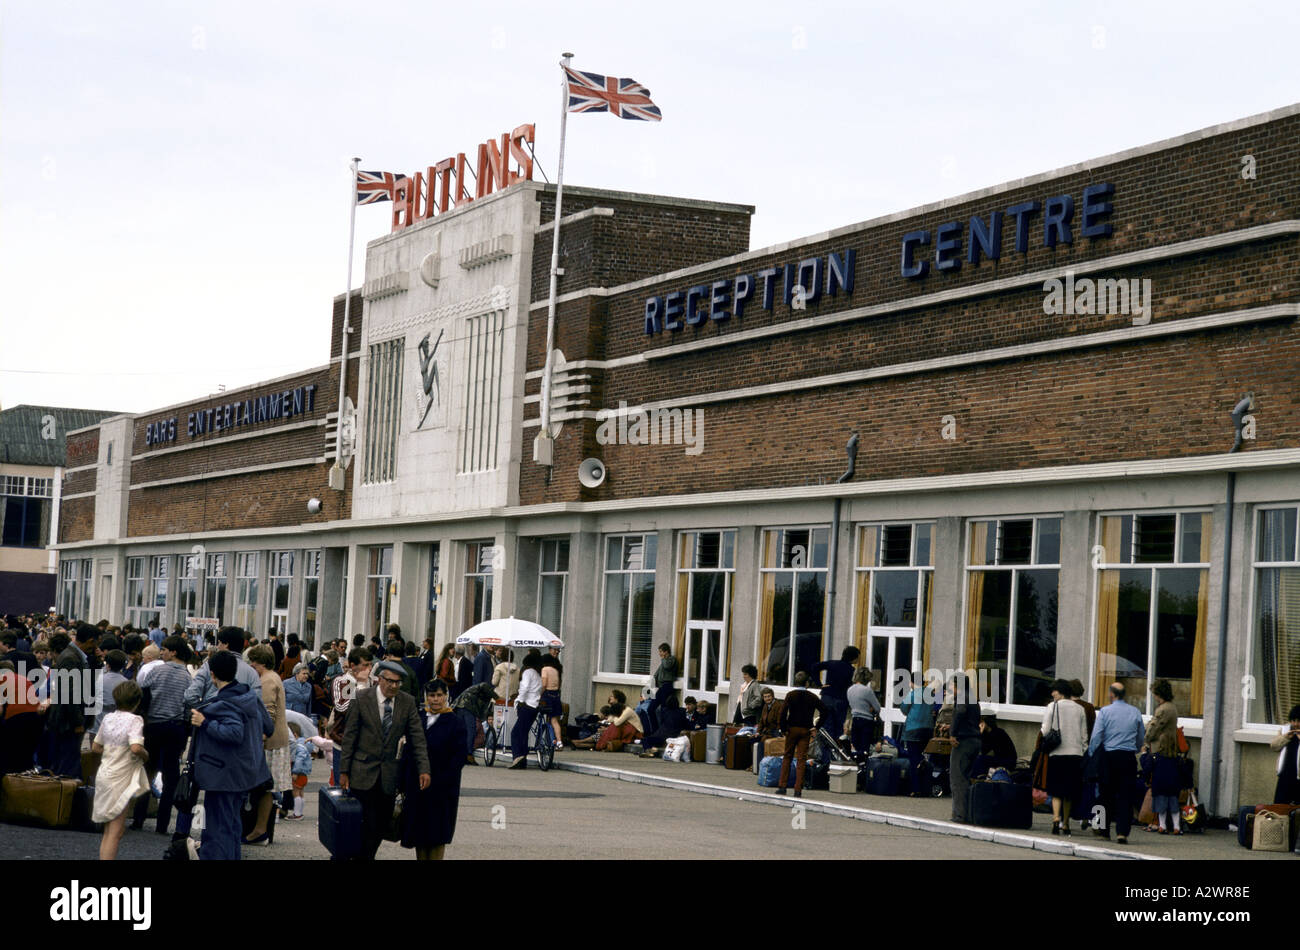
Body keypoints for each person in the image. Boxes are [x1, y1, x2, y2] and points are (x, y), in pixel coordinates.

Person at [338, 660, 431, 859]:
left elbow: (418, 738)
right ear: (379, 679)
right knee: (364, 823)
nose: (394, 686)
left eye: (398, 683)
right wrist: (344, 771)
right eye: (390, 681)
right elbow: (350, 737)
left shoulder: (407, 702)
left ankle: (365, 855)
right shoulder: (362, 698)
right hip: (362, 772)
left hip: (389, 775)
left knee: (380, 825)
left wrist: (424, 769)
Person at [189, 651, 273, 860]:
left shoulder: (226, 703)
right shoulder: (249, 696)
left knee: (218, 827)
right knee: (232, 824)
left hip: (223, 773)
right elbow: (268, 727)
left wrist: (205, 723)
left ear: (213, 675)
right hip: (245, 771)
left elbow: (234, 733)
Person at [129, 635, 192, 834]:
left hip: (153, 726)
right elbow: (188, 707)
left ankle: (138, 818)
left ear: (174, 652)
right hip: (175, 728)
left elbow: (144, 698)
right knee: (170, 776)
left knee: (146, 772)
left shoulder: (155, 671)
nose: (162, 652)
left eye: (164, 649)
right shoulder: (188, 677)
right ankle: (162, 824)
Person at [401, 679, 469, 860]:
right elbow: (408, 751)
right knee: (419, 834)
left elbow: (459, 756)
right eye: (432, 695)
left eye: (439, 695)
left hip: (443, 788)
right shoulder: (418, 718)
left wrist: (441, 779)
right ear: (426, 697)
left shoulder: (456, 722)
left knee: (438, 835)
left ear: (446, 696)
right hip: (417, 785)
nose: (436, 700)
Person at [90, 680, 150, 860]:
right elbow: (136, 748)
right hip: (121, 776)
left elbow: (95, 747)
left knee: (109, 830)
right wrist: (146, 755)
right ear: (137, 701)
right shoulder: (135, 720)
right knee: (116, 832)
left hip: (105, 772)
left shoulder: (108, 718)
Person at [1087, 682, 1145, 844]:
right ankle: (1122, 832)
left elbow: (1096, 736)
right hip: (1127, 757)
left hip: (1109, 757)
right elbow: (1141, 737)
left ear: (1112, 694)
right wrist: (1134, 749)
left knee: (1106, 794)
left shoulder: (1105, 712)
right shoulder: (1135, 712)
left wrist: (1093, 754)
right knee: (1126, 795)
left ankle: (1104, 830)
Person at [44, 623, 97, 778]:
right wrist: (78, 722)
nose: (97, 647)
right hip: (68, 723)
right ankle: (64, 798)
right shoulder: (70, 658)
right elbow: (70, 694)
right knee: (67, 766)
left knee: (68, 763)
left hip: (70, 722)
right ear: (90, 641)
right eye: (96, 642)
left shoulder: (75, 656)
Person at [1041, 678, 1087, 836]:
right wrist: (1083, 750)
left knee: (1056, 791)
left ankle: (1055, 819)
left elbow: (1046, 730)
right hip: (1075, 754)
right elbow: (1084, 735)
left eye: (1054, 690)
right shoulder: (1079, 709)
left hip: (1057, 754)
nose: (1052, 693)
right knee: (1069, 792)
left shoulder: (1052, 707)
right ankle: (1066, 823)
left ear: (1060, 691)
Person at [184, 627, 262, 706]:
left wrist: (203, 709)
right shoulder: (252, 673)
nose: (217, 647)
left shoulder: (209, 665)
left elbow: (191, 695)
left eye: (219, 643)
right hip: (240, 716)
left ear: (226, 644)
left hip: (212, 715)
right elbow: (257, 702)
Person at [776, 672, 826, 797]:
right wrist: (816, 726)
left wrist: (783, 728)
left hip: (792, 729)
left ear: (795, 682)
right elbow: (825, 711)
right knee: (801, 759)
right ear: (807, 683)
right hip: (806, 730)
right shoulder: (812, 696)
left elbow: (782, 713)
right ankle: (798, 789)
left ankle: (782, 786)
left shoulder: (790, 695)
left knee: (787, 756)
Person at [1143, 679, 1182, 835]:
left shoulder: (1163, 709)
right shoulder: (1173, 708)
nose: (1154, 697)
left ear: (1159, 693)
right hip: (1171, 752)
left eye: (1155, 693)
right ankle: (1174, 825)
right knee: (1171, 792)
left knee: (1160, 790)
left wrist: (1146, 738)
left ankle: (1162, 825)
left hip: (1161, 751)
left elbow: (1153, 728)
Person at [948, 674, 981, 823]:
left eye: (952, 685)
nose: (950, 688)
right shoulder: (973, 698)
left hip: (964, 742)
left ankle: (959, 815)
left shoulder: (961, 698)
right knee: (966, 777)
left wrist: (952, 733)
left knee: (957, 777)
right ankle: (967, 812)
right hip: (975, 740)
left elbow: (960, 713)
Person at [0, 659, 42, 773]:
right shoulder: (25, 679)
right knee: (27, 756)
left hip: (16, 720)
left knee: (11, 757)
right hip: (35, 719)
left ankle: (13, 783)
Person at [900, 675, 937, 795]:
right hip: (927, 729)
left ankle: (915, 789)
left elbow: (904, 709)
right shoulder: (930, 694)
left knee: (914, 760)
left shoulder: (912, 694)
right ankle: (925, 787)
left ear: (911, 682)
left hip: (913, 729)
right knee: (922, 757)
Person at [813, 645, 860, 741]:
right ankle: (835, 753)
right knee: (838, 730)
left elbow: (815, 667)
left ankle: (826, 754)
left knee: (826, 729)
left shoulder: (832, 663)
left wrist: (819, 683)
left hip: (827, 698)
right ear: (853, 658)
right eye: (857, 657)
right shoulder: (852, 671)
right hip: (841, 700)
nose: (858, 659)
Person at [508, 653, 545, 769]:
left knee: (516, 732)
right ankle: (523, 757)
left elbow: (524, 688)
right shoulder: (537, 674)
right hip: (535, 706)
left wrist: (520, 700)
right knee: (524, 732)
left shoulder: (528, 673)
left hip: (526, 705)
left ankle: (518, 757)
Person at [846, 667, 882, 756]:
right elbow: (877, 708)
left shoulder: (850, 690)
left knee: (856, 747)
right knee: (865, 749)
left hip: (855, 720)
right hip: (866, 721)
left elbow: (851, 705)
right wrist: (871, 708)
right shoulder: (867, 691)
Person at [1270, 704, 1300, 805]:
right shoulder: (1285, 730)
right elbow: (1274, 747)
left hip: (1298, 776)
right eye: (1293, 720)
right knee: (1280, 806)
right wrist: (1285, 737)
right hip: (1285, 775)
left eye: (1298, 721)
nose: (1295, 724)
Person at [284, 722, 312, 821]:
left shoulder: (298, 746)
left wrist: (295, 771)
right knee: (301, 792)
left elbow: (299, 759)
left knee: (295, 792)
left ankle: (297, 814)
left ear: (294, 735)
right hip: (304, 773)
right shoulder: (305, 744)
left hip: (298, 772)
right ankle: (300, 812)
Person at [647, 642, 680, 721]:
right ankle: (655, 730)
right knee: (650, 709)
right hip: (661, 687)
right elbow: (657, 673)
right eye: (659, 652)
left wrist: (663, 658)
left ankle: (663, 730)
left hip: (667, 686)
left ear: (666, 651)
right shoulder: (663, 661)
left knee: (664, 710)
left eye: (661, 651)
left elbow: (667, 666)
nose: (660, 654)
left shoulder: (671, 659)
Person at [539, 653, 564, 750]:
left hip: (547, 695)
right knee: (554, 720)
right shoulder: (556, 670)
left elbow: (544, 684)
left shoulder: (545, 669)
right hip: (556, 695)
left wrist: (539, 694)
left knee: (542, 716)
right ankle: (559, 741)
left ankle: (546, 739)